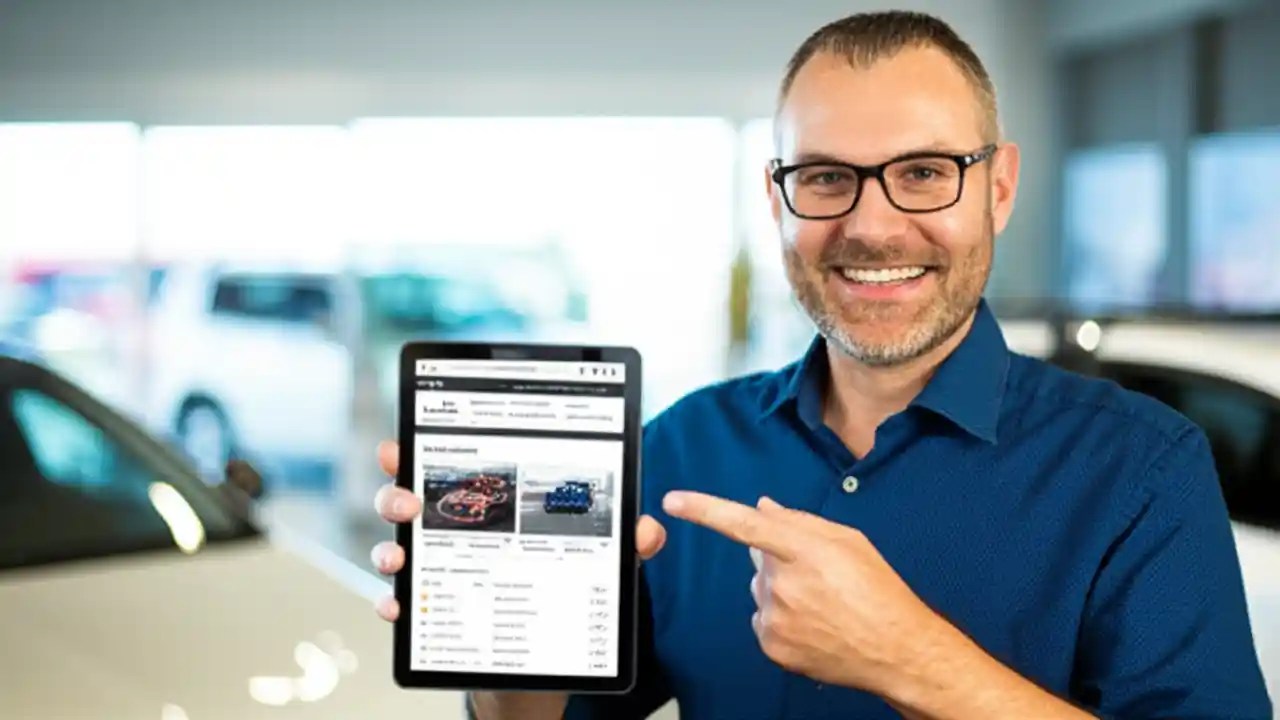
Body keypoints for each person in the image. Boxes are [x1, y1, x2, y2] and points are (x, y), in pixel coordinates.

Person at [369, 10, 1273, 719]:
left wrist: (913, 660)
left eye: (923, 172)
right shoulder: (681, 452)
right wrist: (499, 648)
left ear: (998, 187)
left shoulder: (1142, 470)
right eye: (827, 177)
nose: (872, 226)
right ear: (777, 197)